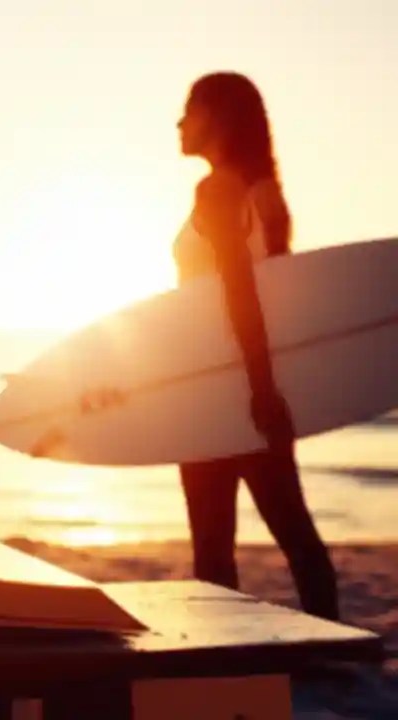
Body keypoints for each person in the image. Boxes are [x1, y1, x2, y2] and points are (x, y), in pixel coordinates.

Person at [173, 71, 339, 620]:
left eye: (189, 109)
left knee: (214, 558)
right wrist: (270, 388)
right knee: (297, 536)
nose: (179, 122)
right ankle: (333, 651)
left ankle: (227, 671)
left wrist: (260, 389)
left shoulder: (217, 190)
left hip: (216, 391)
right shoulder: (264, 191)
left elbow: (241, 289)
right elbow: (282, 297)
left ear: (216, 118)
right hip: (253, 382)